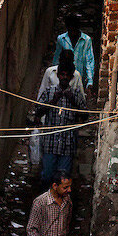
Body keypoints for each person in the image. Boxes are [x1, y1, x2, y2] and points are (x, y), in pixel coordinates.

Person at [35, 57, 86, 189]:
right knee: (47, 176)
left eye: (67, 75)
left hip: (67, 144)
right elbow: (38, 112)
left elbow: (85, 115)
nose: (64, 77)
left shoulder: (76, 94)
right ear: (58, 75)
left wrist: (73, 101)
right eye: (62, 74)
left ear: (71, 77)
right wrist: (52, 102)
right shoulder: (49, 92)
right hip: (50, 143)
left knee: (63, 180)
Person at [53, 14, 95, 92]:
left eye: (74, 29)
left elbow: (89, 61)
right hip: (64, 77)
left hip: (79, 79)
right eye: (70, 29)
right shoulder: (61, 39)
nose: (72, 32)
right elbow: (57, 58)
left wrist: (90, 81)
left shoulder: (86, 40)